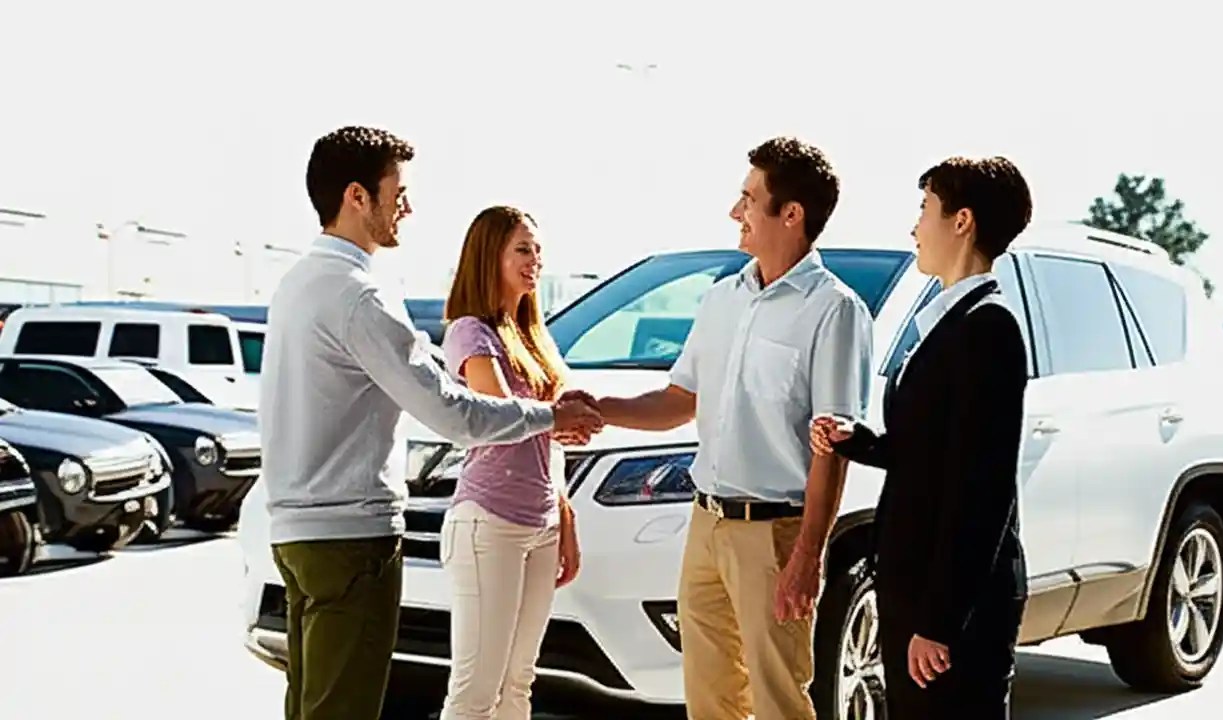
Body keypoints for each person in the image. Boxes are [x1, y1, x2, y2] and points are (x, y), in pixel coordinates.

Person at [258, 126, 602, 720]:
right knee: (346, 708)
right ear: (357, 196)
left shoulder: (297, 285)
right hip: (350, 537)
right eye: (399, 190)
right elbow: (455, 413)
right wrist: (552, 415)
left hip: (298, 534)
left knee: (314, 706)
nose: (407, 207)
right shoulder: (358, 296)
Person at [595, 137, 872, 720]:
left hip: (776, 536)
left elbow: (834, 446)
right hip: (706, 526)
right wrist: (596, 408)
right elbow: (678, 401)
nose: (734, 212)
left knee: (778, 701)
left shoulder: (834, 310)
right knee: (709, 701)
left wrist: (808, 556)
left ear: (790, 214)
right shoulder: (723, 299)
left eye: (748, 199)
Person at [811, 155, 1034, 718]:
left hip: (955, 604)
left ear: (962, 221)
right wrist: (858, 441)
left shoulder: (989, 327)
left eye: (924, 209)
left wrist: (940, 621)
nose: (915, 227)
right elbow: (932, 451)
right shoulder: (946, 321)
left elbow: (983, 489)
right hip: (917, 585)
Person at [436, 206, 585, 720]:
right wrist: (558, 415)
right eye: (523, 249)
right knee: (477, 690)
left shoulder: (533, 336)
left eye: (538, 250)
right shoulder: (469, 331)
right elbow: (497, 415)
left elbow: (548, 442)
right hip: (488, 524)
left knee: (519, 682)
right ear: (489, 256)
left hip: (541, 524)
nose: (535, 260)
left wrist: (564, 514)